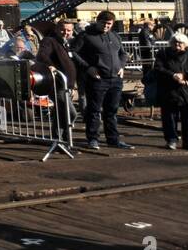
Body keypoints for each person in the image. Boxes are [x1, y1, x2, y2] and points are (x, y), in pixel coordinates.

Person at [71, 9, 132, 150]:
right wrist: (88, 67)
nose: (106, 26)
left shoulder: (115, 36)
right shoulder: (85, 36)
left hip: (115, 79)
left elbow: (123, 53)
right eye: (103, 23)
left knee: (112, 111)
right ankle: (93, 139)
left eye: (109, 24)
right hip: (97, 79)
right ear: (97, 21)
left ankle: (113, 139)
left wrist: (121, 66)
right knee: (94, 110)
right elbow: (73, 52)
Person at [152, 31, 188, 150]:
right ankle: (171, 140)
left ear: (186, 44)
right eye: (175, 42)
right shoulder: (163, 54)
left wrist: (187, 76)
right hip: (169, 90)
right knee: (169, 118)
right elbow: (158, 69)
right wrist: (173, 75)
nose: (177, 45)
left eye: (180, 43)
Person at [37, 19, 79, 137]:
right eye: (63, 30)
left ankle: (58, 139)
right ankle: (65, 138)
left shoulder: (67, 43)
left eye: (69, 30)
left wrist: (73, 85)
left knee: (60, 113)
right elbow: (42, 55)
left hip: (68, 85)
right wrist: (50, 66)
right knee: (71, 113)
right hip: (58, 84)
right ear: (56, 29)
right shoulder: (49, 40)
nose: (66, 32)